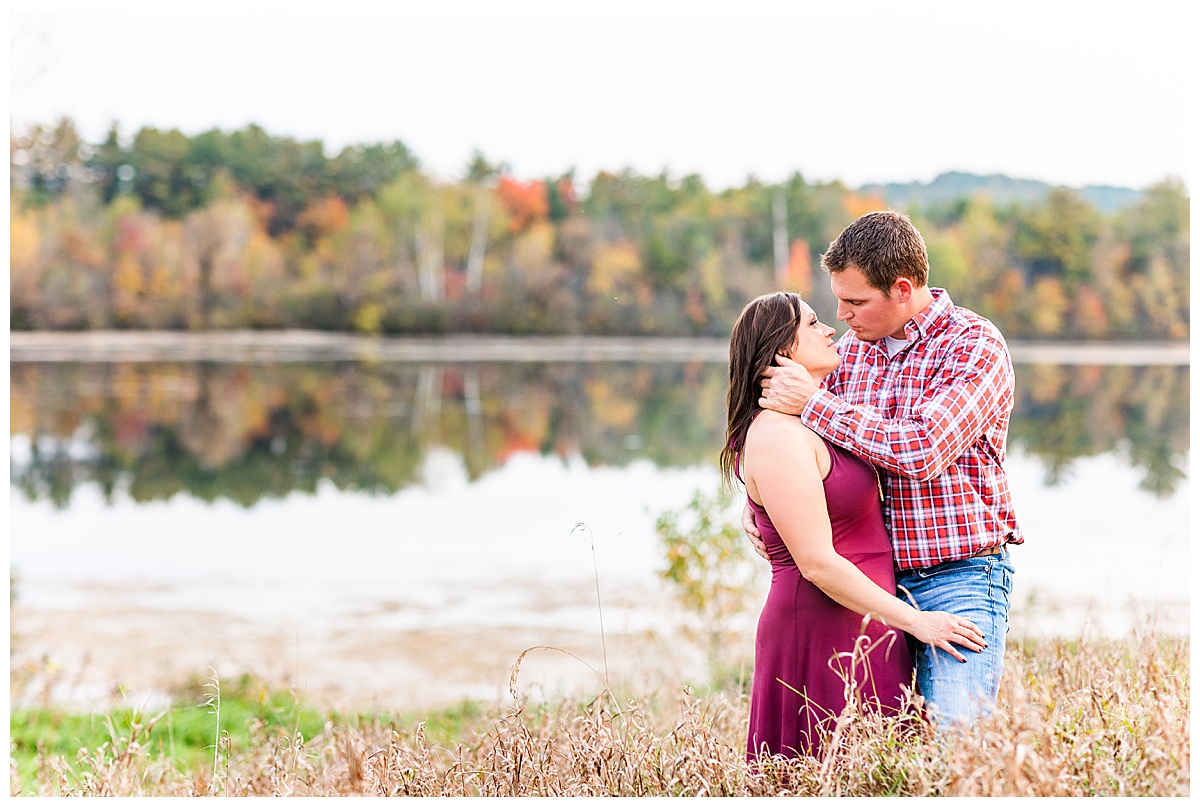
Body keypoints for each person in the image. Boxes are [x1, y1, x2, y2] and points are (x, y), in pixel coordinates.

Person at [746, 210, 1021, 728]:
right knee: (876, 746)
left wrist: (816, 405)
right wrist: (755, 500)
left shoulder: (973, 346)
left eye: (855, 302)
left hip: (958, 576)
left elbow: (922, 450)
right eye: (838, 300)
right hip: (870, 582)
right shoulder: (849, 355)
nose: (842, 315)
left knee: (954, 739)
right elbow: (786, 442)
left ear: (900, 289)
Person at [722, 291, 987, 762]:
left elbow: (907, 449)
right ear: (783, 353)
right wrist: (916, 622)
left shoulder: (816, 414)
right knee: (823, 774)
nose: (831, 328)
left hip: (868, 617)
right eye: (814, 323)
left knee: (883, 774)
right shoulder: (778, 435)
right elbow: (818, 564)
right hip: (822, 624)